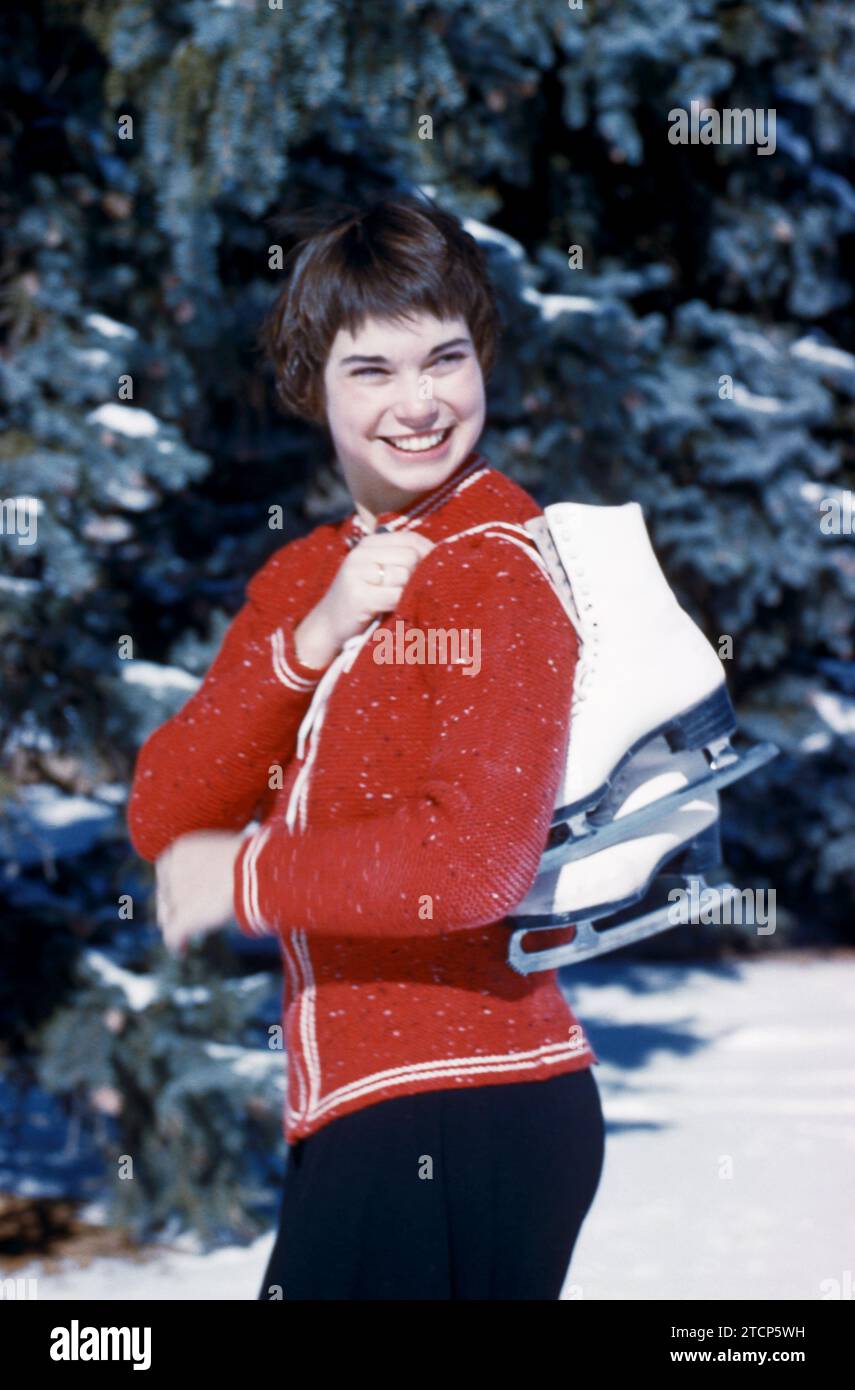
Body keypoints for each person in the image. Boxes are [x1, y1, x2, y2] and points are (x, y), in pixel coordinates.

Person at [127, 193, 606, 1300]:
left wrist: (244, 874)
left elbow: (472, 861)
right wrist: (313, 638)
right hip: (367, 1111)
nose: (420, 402)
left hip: (469, 1102)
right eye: (372, 371)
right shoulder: (310, 574)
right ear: (312, 385)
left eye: (444, 358)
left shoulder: (494, 564)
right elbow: (165, 810)